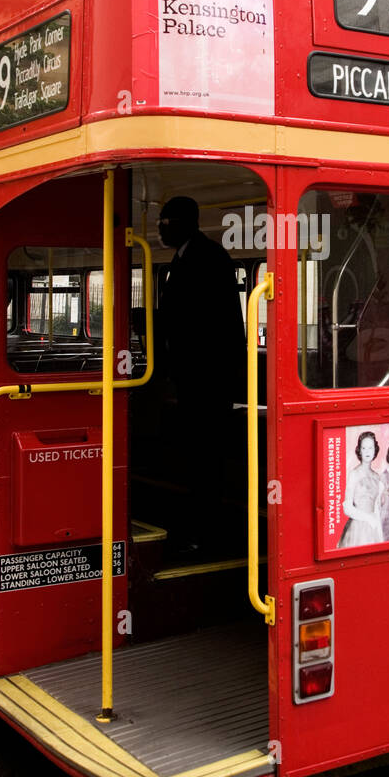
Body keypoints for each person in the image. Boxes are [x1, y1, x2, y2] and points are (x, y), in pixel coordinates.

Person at [157, 196, 246, 553]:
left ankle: (207, 530)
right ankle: (199, 522)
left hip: (208, 378)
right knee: (196, 454)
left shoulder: (208, 259)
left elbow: (210, 324)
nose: (162, 229)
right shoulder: (183, 258)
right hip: (194, 377)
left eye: (167, 223)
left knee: (206, 456)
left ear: (186, 222)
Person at [337, 431, 383, 548]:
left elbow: (377, 508)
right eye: (364, 448)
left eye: (370, 448)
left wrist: (380, 534)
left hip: (373, 529)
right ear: (360, 451)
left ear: (375, 450)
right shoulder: (354, 474)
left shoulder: (377, 477)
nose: (367, 451)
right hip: (357, 529)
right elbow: (347, 508)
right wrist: (368, 518)